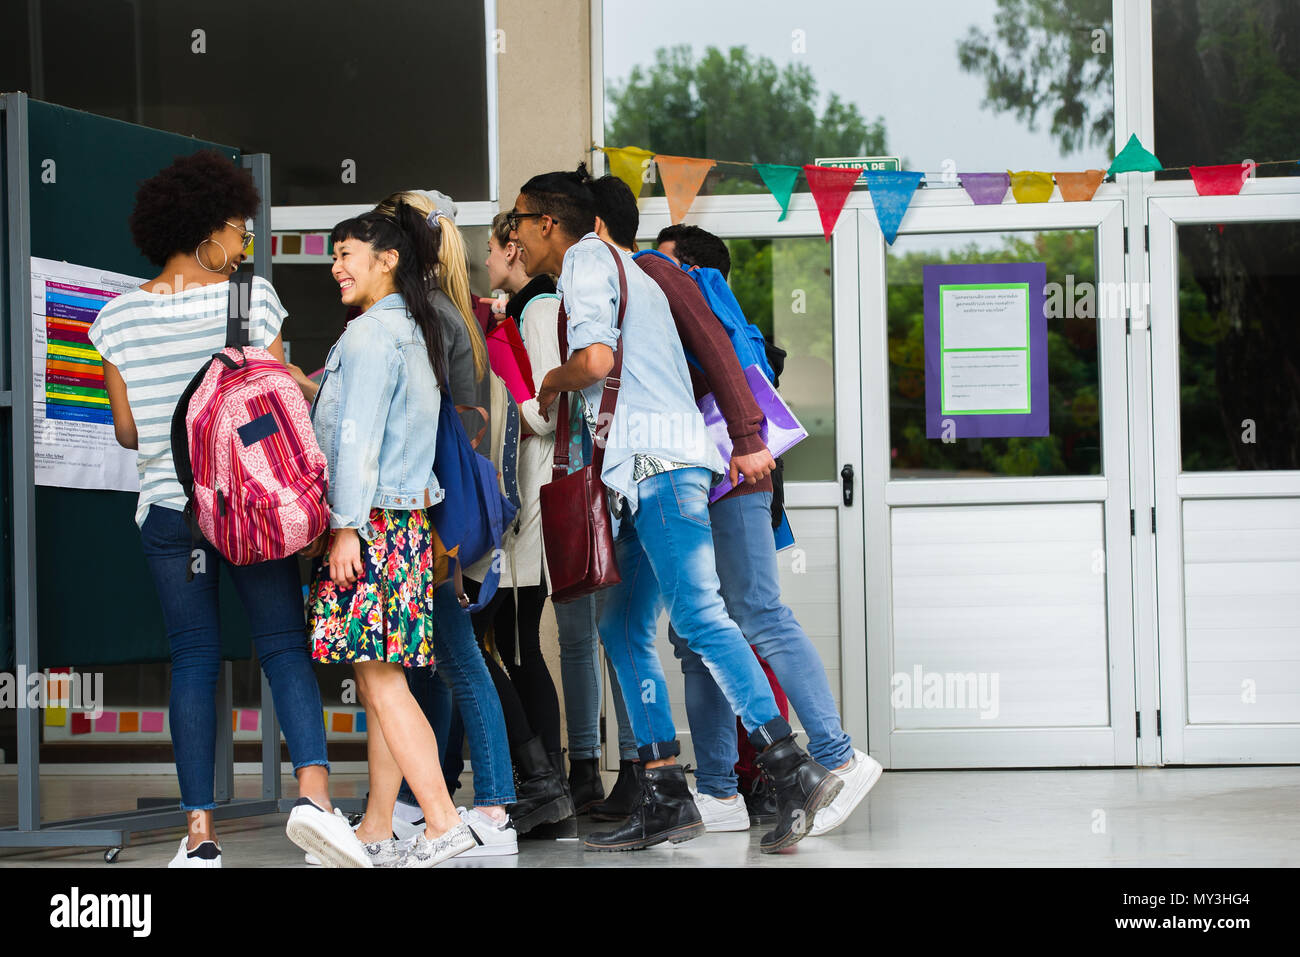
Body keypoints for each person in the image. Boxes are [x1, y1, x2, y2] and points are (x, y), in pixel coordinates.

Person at [514, 166, 842, 853]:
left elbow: (597, 358)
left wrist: (551, 380)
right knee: (623, 625)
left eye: (517, 221)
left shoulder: (583, 260)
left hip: (660, 468)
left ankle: (792, 766)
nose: (512, 238)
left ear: (549, 222)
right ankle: (664, 790)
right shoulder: (639, 271)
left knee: (699, 614)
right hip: (645, 471)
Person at [94, 150, 368, 868]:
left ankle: (201, 837)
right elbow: (281, 414)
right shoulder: (252, 301)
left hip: (170, 511)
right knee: (281, 646)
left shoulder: (116, 318)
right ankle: (316, 800)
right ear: (210, 230)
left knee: (193, 662)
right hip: (255, 510)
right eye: (241, 232)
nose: (246, 245)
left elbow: (127, 433)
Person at [601, 183, 883, 837]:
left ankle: (840, 756)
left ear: (691, 272)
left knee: (757, 612)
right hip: (709, 479)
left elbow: (734, 383)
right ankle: (720, 790)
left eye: (666, 266)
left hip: (732, 479)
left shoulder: (702, 302)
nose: (655, 277)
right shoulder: (686, 310)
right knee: (695, 639)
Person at [305, 202, 480, 867]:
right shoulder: (415, 327)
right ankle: (378, 825)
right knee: (384, 676)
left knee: (381, 683)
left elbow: (357, 441)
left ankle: (440, 820)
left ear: (387, 259)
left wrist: (344, 527)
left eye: (346, 253)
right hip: (402, 522)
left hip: (370, 521)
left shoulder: (370, 336)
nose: (335, 266)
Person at [366, 190, 522, 854]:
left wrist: (439, 533)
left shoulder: (427, 314)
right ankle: (417, 799)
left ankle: (491, 806)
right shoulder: (444, 309)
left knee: (457, 659)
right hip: (439, 510)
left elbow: (433, 429)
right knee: (432, 663)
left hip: (432, 513)